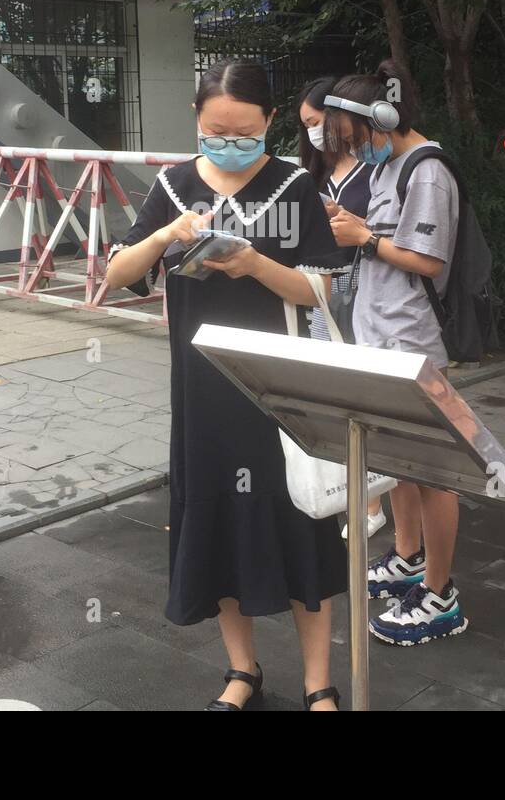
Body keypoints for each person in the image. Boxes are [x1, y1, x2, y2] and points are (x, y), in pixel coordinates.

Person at [106, 58, 346, 711]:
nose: (230, 143)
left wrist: (251, 262)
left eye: (244, 131)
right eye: (217, 130)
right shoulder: (174, 186)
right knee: (215, 526)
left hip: (279, 391)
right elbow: (116, 273)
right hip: (204, 394)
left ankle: (318, 680)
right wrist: (165, 234)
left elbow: (317, 289)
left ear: (269, 121)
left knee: (300, 524)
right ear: (198, 121)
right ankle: (243, 670)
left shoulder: (294, 186)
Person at [323, 61, 468, 646]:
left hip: (413, 339)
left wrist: (366, 239)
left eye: (359, 140)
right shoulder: (389, 168)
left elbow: (430, 261)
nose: (357, 152)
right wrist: (355, 226)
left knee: (434, 470)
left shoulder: (427, 172)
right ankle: (407, 557)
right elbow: (384, 238)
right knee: (399, 461)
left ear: (384, 120)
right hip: (378, 330)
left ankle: (440, 593)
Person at [297, 75, 382, 541]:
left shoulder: (373, 166)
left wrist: (352, 224)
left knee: (359, 392)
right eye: (305, 125)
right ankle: (351, 492)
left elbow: (388, 232)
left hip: (362, 284)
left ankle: (370, 499)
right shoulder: (311, 174)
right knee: (331, 393)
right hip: (320, 287)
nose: (312, 131)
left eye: (316, 122)